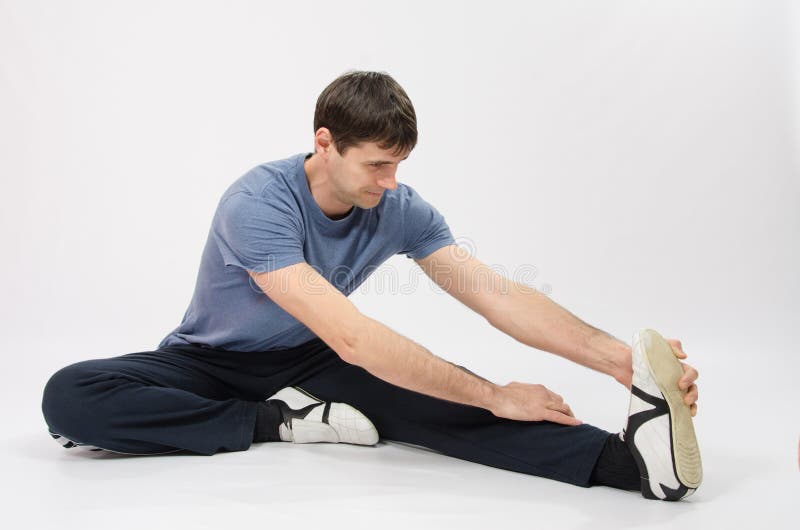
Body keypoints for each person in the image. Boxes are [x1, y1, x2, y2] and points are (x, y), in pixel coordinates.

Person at [41, 70, 702, 501]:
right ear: (325, 143)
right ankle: (278, 422)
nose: (390, 184)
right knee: (71, 396)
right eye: (378, 165)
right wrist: (495, 392)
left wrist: (624, 362)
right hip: (207, 362)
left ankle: (637, 466)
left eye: (400, 165)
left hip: (309, 357)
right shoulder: (257, 203)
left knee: (447, 405)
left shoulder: (398, 207)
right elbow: (355, 336)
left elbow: (494, 294)